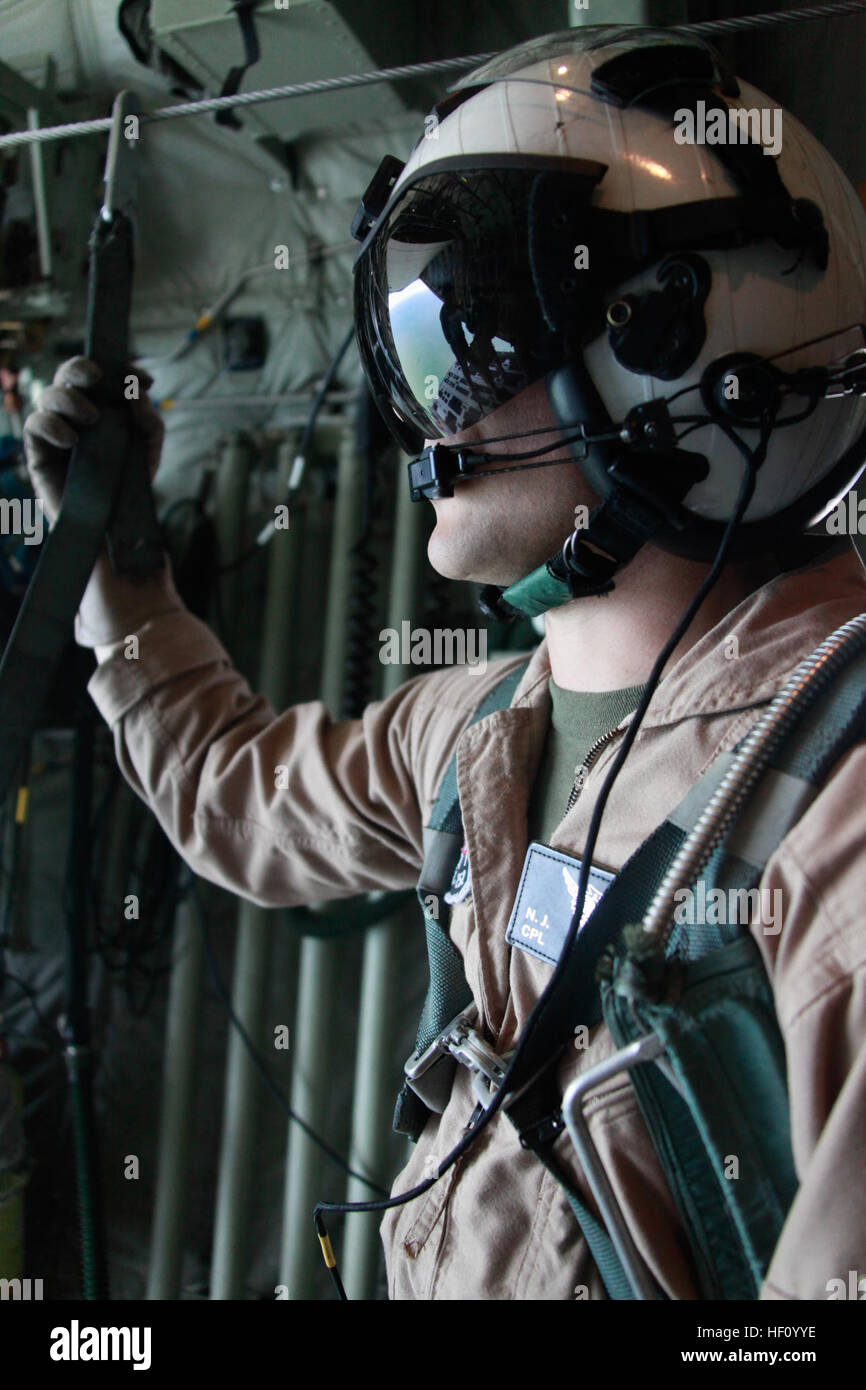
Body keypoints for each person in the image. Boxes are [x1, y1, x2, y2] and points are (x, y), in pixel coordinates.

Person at [23, 27, 866, 1300]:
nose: (425, 407)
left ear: (680, 350)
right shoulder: (480, 729)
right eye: (413, 339)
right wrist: (116, 567)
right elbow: (236, 793)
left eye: (471, 332)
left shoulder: (834, 816)